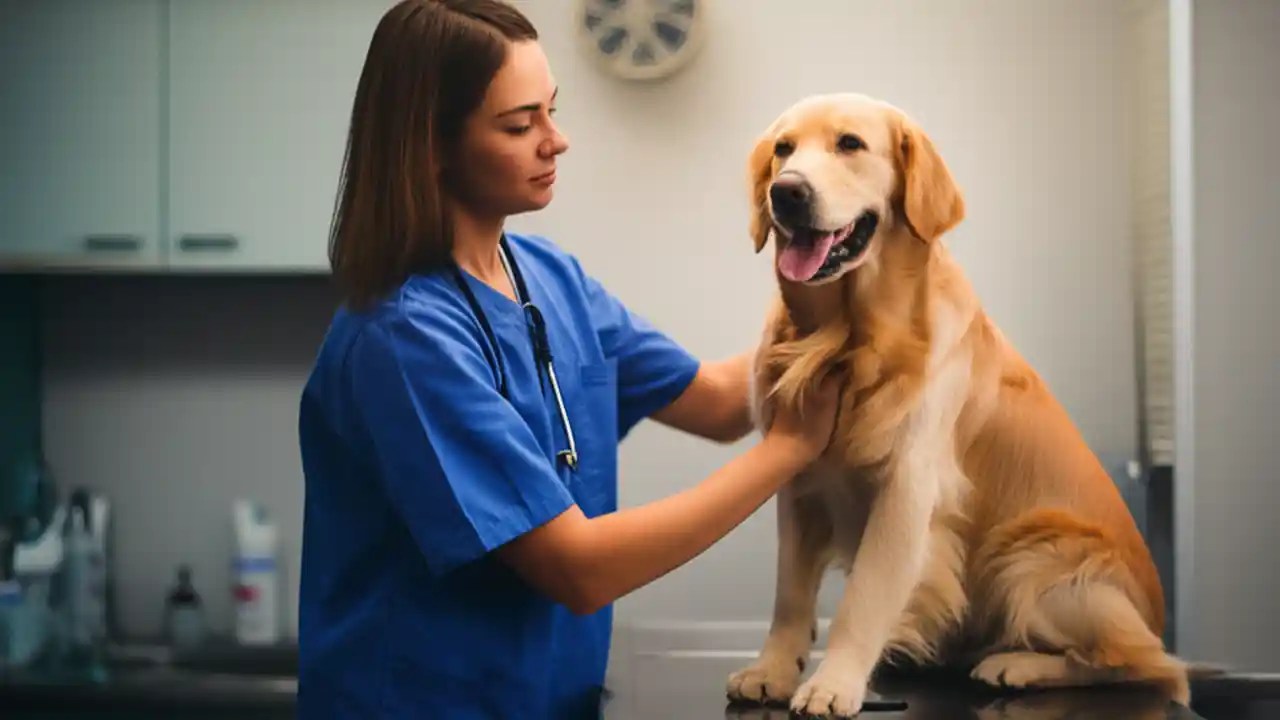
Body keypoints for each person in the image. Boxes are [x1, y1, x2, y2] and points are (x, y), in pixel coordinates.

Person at [295, 1, 840, 717]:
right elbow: (578, 569)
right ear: (429, 143)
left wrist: (852, 323)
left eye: (551, 111)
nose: (557, 141)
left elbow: (714, 401)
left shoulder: (549, 277)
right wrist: (790, 450)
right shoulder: (402, 339)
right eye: (520, 125)